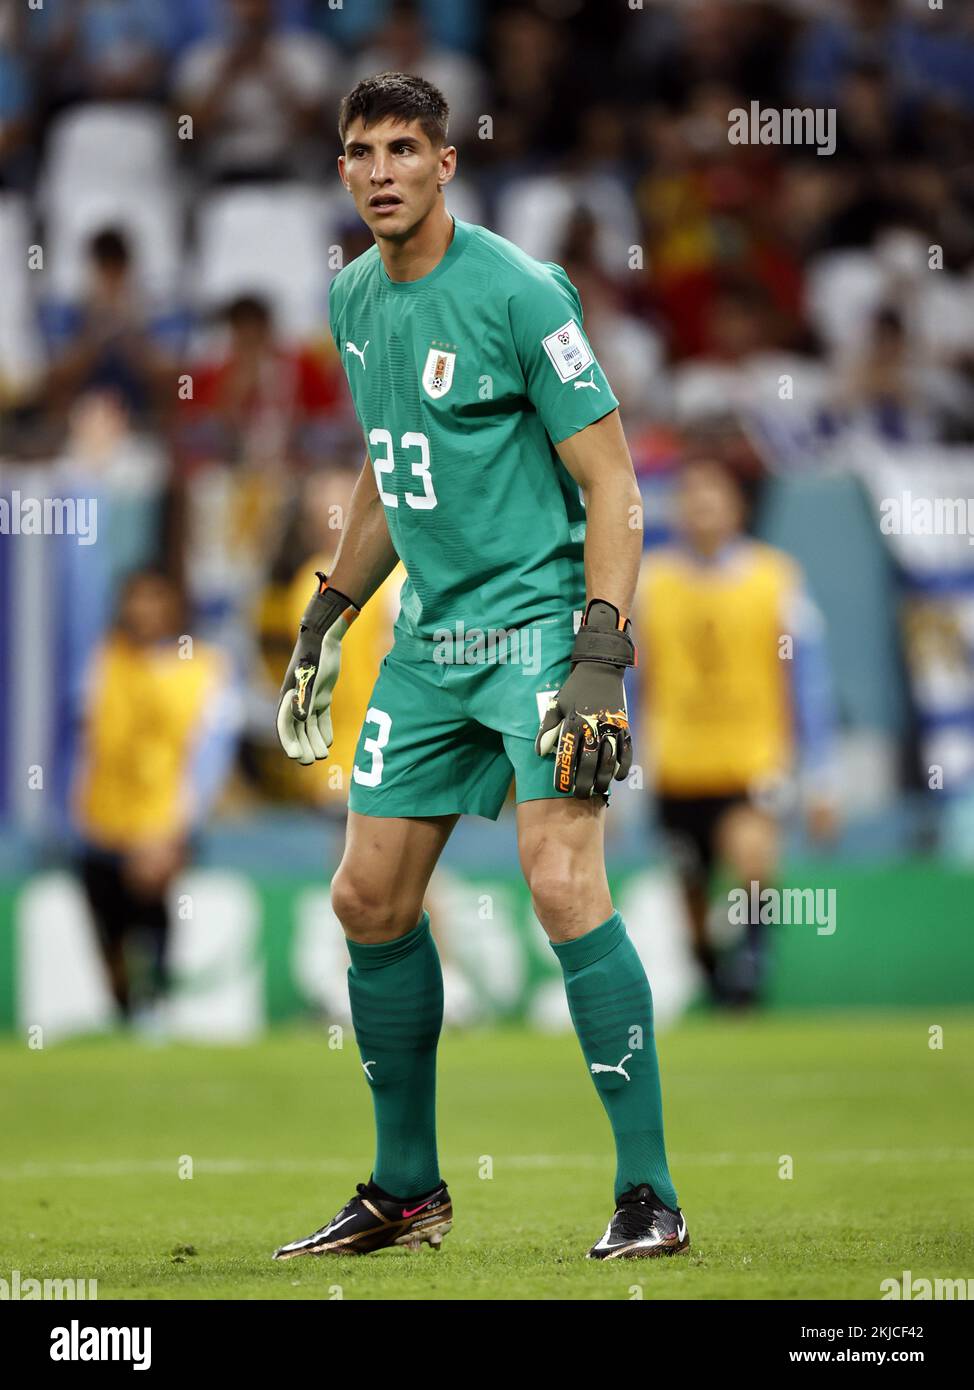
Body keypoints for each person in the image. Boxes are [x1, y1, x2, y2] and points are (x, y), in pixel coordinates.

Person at [270, 73, 689, 1262]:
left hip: (543, 630)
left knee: (562, 885)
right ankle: (406, 1191)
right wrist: (328, 610)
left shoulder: (518, 289)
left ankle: (648, 1194)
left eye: (406, 146)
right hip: (430, 640)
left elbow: (613, 482)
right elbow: (387, 465)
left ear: (445, 163)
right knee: (366, 899)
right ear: (344, 173)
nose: (383, 168)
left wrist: (601, 652)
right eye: (362, 150)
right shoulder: (352, 294)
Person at [636, 459, 840, 1008]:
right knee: (693, 897)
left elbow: (809, 680)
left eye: (713, 496)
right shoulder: (652, 582)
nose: (701, 508)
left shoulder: (775, 578)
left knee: (753, 860)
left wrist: (822, 775)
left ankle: (754, 962)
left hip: (751, 761)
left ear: (737, 508)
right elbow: (635, 680)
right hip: (678, 765)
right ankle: (712, 968)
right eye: (691, 497)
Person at [72, 570, 240, 1024]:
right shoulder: (106, 658)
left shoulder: (203, 666)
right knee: (108, 935)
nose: (142, 610)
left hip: (161, 822)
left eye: (154, 599)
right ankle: (128, 1014)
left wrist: (178, 829)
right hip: (101, 821)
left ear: (175, 607)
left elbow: (210, 755)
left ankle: (157, 1009)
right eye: (135, 599)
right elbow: (85, 736)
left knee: (151, 912)